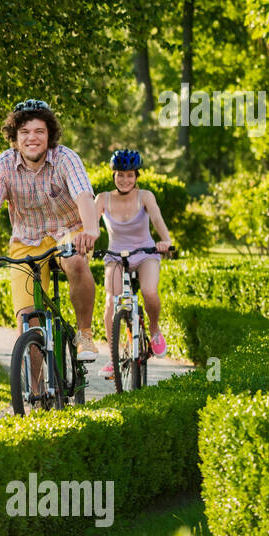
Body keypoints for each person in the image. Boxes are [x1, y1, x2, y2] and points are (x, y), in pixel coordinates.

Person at [0, 99, 100, 361]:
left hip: (68, 232)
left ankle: (85, 333)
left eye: (39, 131)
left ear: (50, 135)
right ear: (14, 138)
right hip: (26, 240)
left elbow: (83, 194)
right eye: (24, 132)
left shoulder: (65, 158)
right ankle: (35, 397)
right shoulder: (2, 165)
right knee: (28, 321)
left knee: (76, 261)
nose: (32, 138)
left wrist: (91, 230)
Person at [95, 149, 173, 377]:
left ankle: (155, 329)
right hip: (115, 256)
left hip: (145, 253)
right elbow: (89, 223)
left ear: (137, 176)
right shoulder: (103, 199)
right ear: (113, 176)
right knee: (111, 301)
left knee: (149, 291)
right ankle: (112, 357)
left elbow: (157, 218)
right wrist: (85, 243)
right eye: (120, 175)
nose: (125, 180)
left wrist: (165, 240)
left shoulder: (145, 196)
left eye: (130, 175)